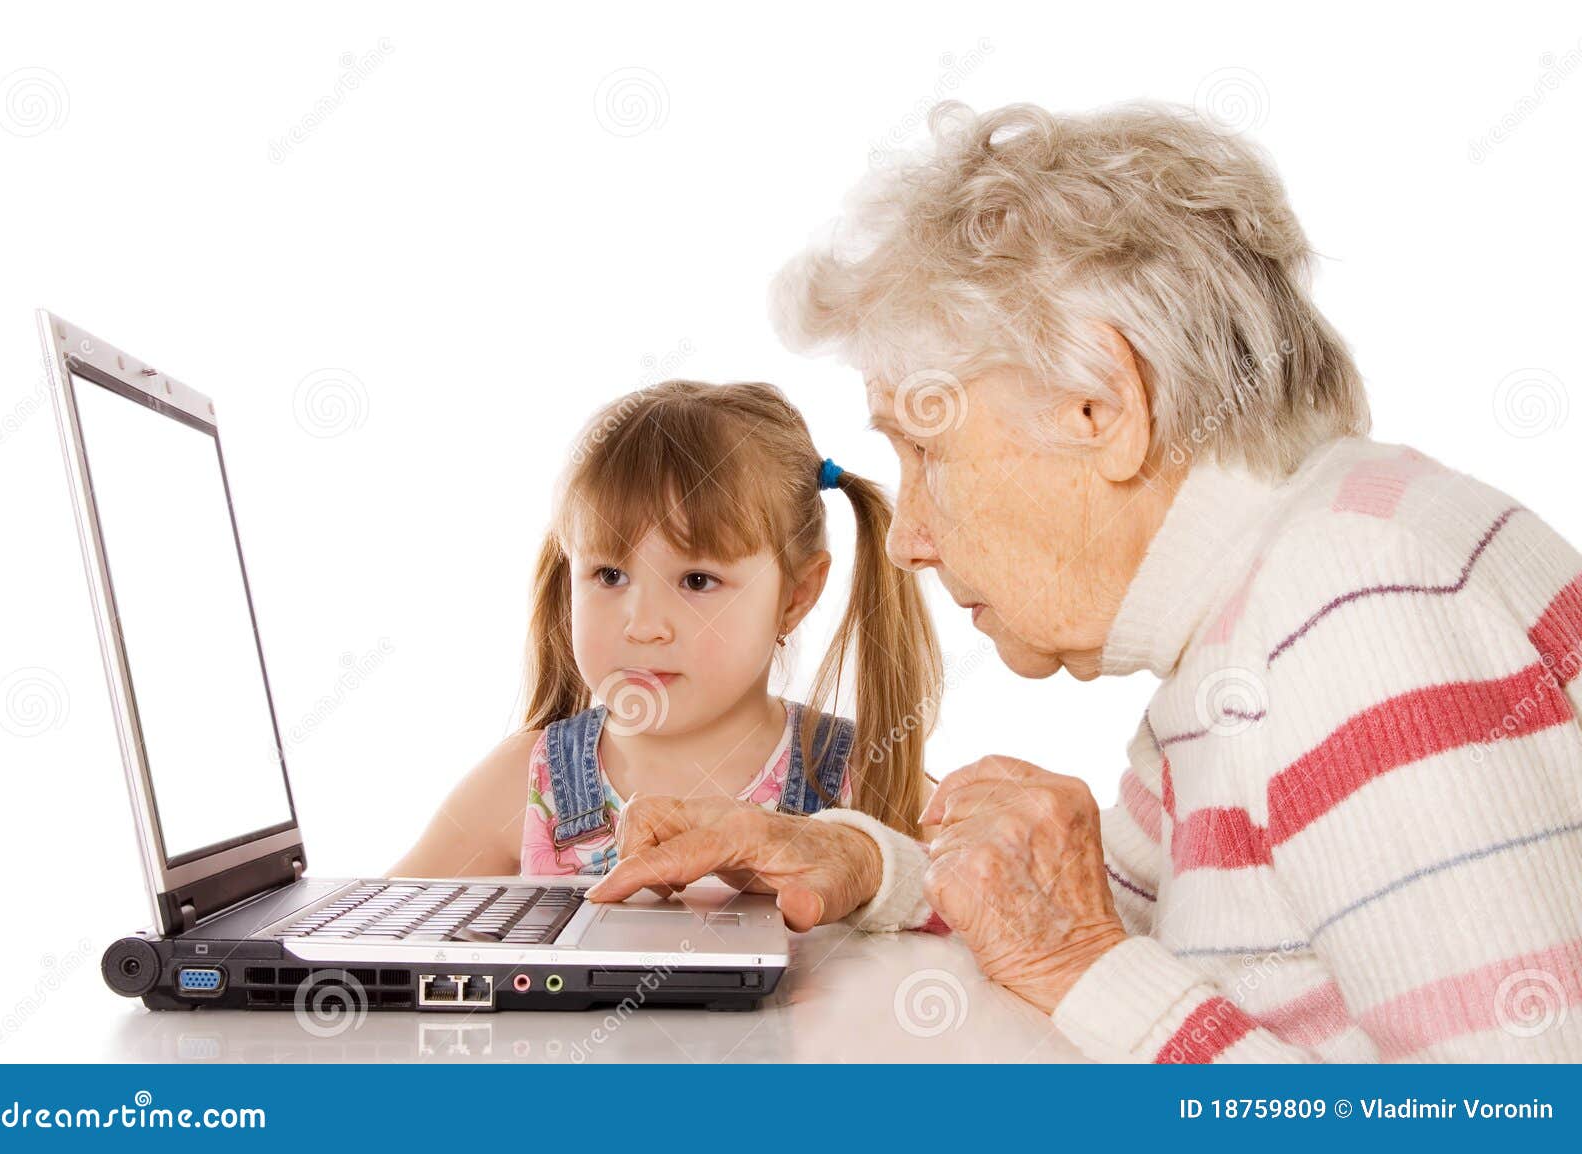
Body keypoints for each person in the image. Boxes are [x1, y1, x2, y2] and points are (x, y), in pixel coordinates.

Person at [587, 102, 1582, 1062]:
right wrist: (858, 865)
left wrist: (1073, 965)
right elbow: (1157, 904)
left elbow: (1514, 1117)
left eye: (927, 448)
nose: (909, 540)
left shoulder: (1350, 612)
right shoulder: (1280, 591)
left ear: (1100, 405)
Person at [392, 379, 942, 883]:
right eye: (610, 575)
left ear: (795, 596)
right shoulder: (528, 782)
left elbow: (984, 905)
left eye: (697, 580)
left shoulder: (859, 775)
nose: (644, 624)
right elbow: (387, 929)